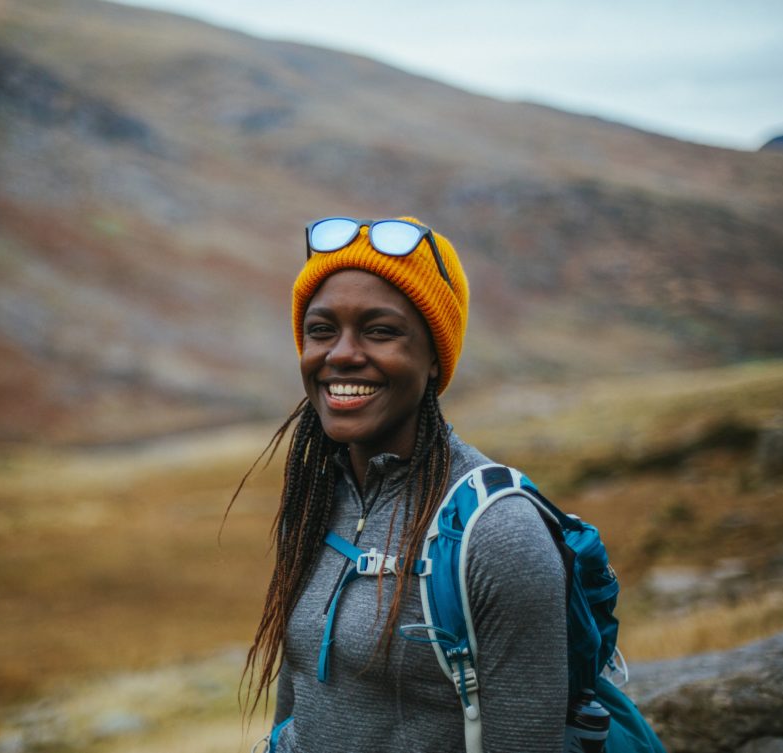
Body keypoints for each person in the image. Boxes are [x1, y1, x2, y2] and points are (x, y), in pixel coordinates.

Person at [237, 216, 568, 752]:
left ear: (435, 357)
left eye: (380, 330)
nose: (341, 354)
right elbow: (294, 715)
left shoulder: (498, 535)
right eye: (322, 330)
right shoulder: (319, 497)